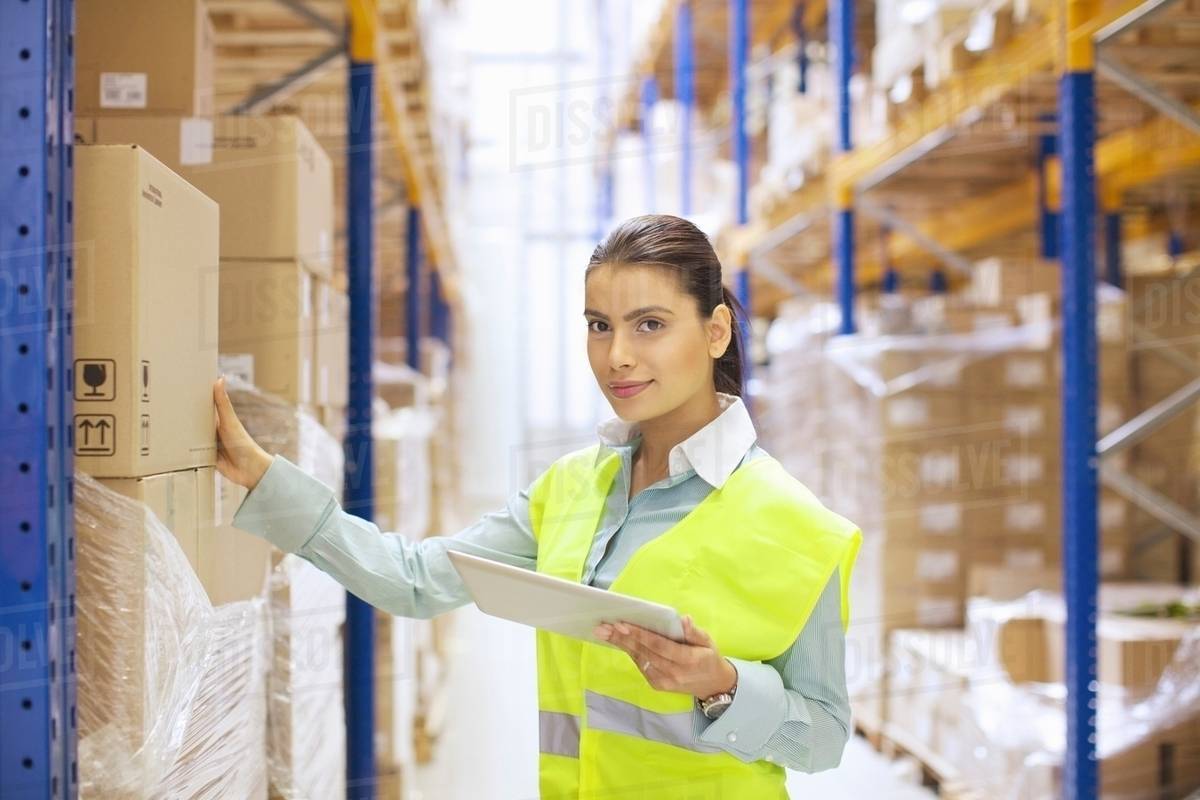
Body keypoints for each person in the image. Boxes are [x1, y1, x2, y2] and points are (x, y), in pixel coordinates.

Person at [214, 214, 862, 799]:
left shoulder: (796, 527)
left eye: (651, 325)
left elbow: (824, 737)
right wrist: (266, 480)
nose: (618, 357)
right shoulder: (571, 487)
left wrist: (722, 684)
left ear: (716, 331)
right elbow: (413, 581)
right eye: (599, 326)